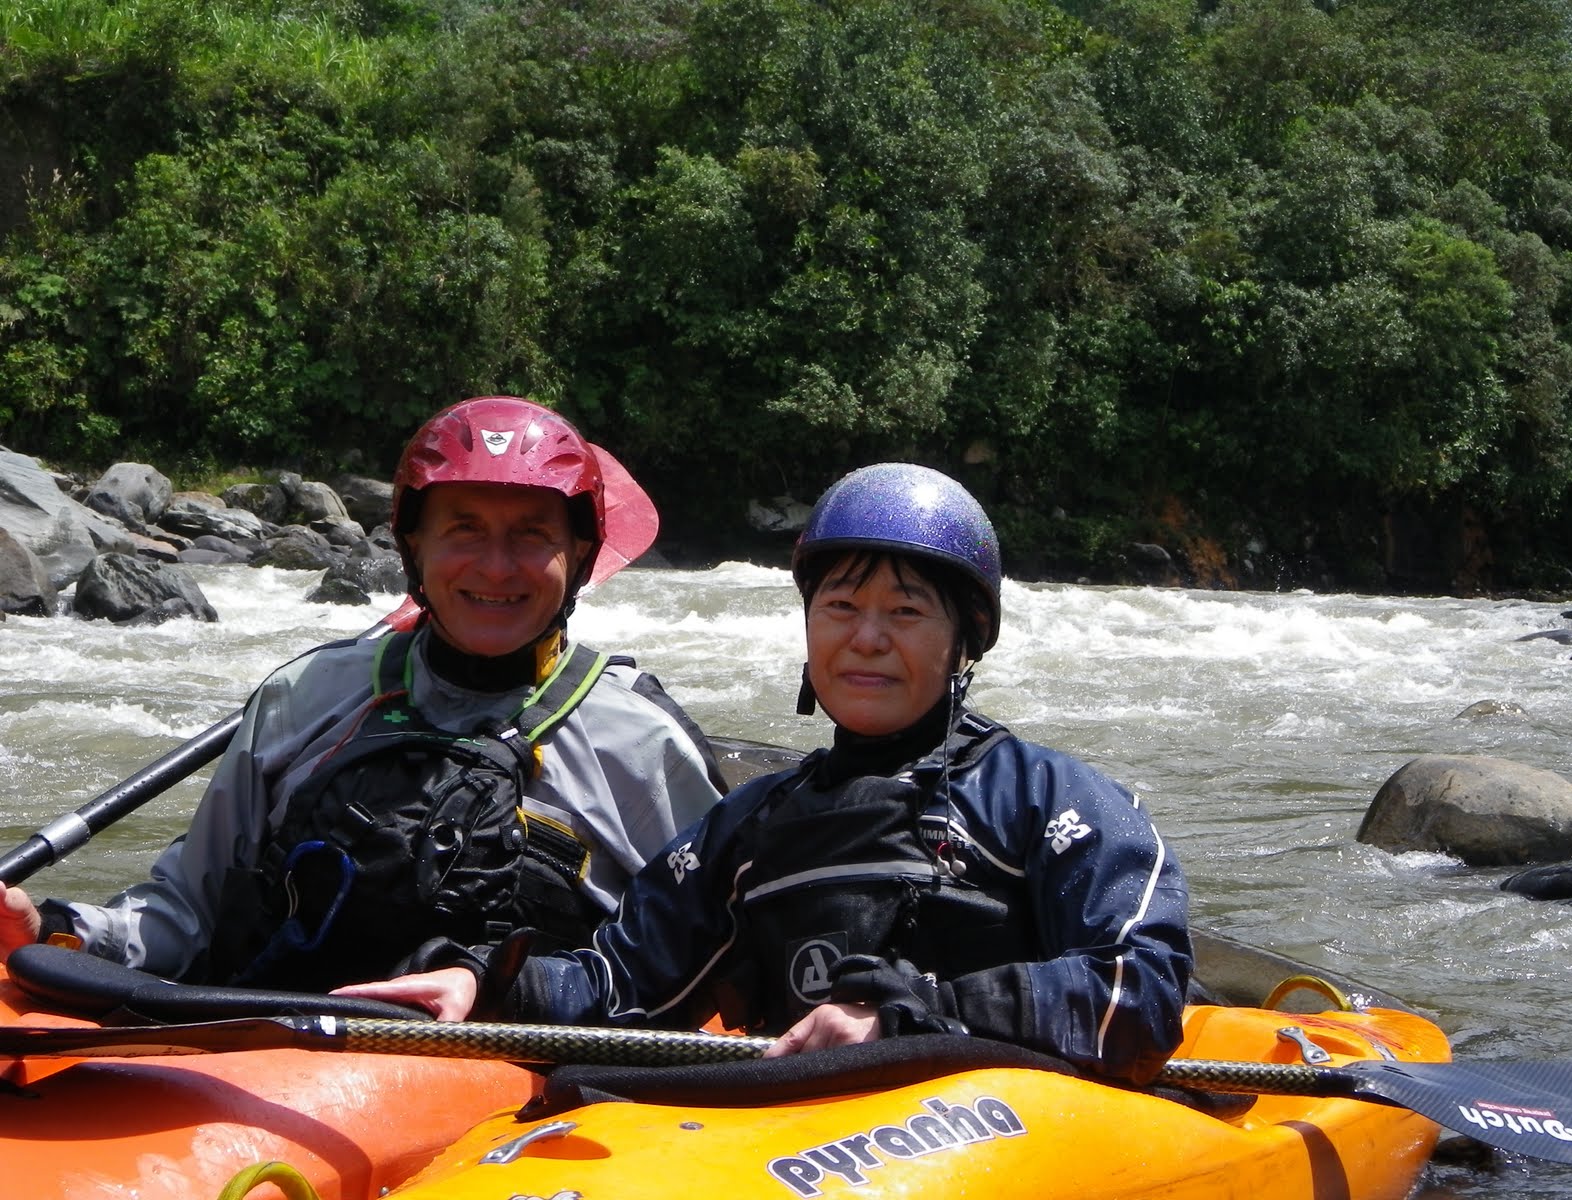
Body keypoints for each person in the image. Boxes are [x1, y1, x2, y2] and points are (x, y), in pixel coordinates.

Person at [339, 463, 1191, 1083]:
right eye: (841, 608)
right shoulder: (750, 825)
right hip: (806, 1140)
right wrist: (489, 981)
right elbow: (618, 986)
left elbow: (1141, 987)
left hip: (1008, 1131)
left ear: (963, 639)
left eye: (904, 612)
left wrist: (910, 1013)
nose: (866, 639)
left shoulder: (1049, 798)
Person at [0, 396, 725, 991]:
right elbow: (186, 913)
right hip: (278, 1061)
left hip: (519, 1102)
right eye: (463, 530)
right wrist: (58, 930)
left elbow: (711, 956)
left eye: (532, 535)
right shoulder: (306, 697)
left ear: (579, 555)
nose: (497, 567)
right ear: (414, 547)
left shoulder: (640, 741)